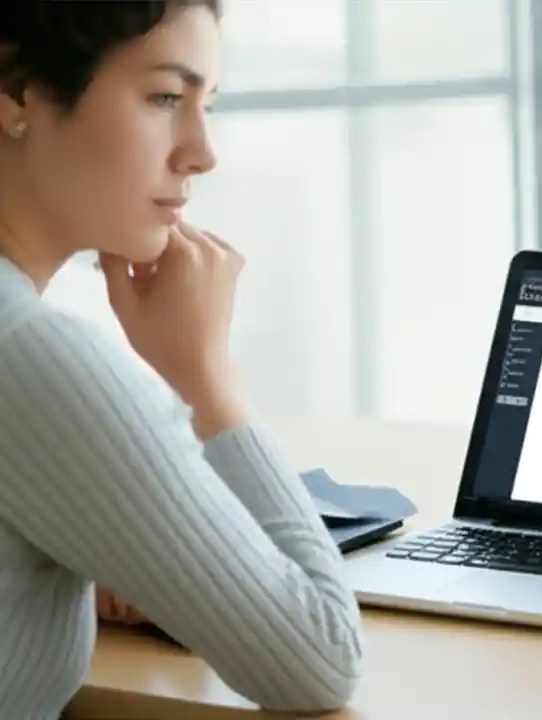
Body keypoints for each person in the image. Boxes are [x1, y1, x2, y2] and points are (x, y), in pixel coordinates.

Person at [0, 2, 363, 717]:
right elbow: (320, 659)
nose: (201, 151)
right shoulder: (33, 353)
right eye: (165, 97)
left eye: (208, 104)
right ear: (15, 94)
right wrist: (206, 376)